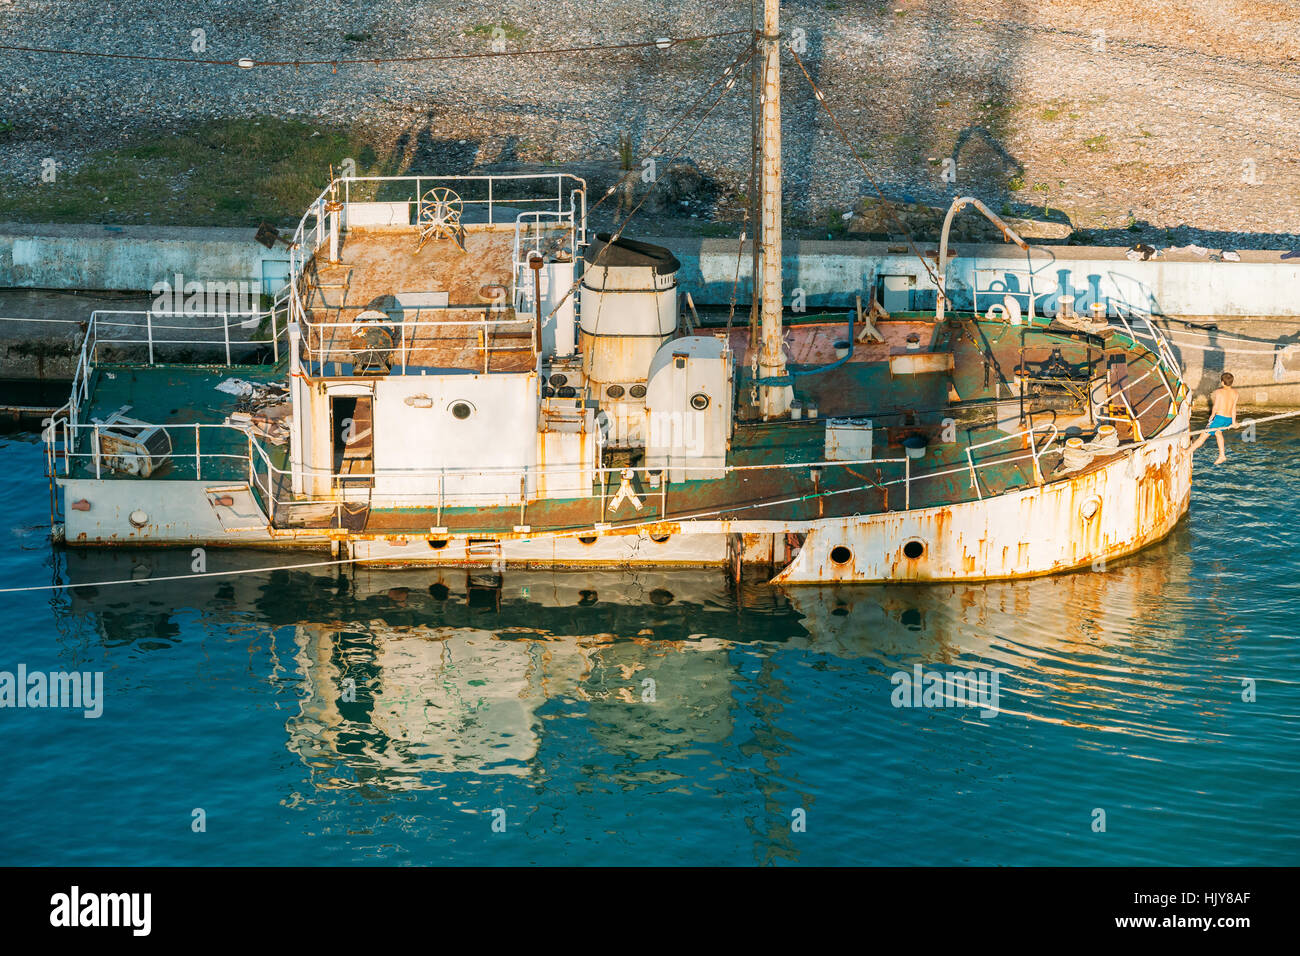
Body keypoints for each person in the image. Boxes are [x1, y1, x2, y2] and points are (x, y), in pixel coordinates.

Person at [1190, 372, 1238, 464]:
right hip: (1228, 419)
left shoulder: (1219, 392)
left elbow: (1215, 407)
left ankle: (1187, 452)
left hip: (1219, 418)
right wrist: (1233, 421)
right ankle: (1222, 455)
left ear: (1222, 382)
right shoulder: (1235, 393)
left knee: (1203, 436)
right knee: (1218, 433)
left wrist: (1211, 417)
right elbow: (1234, 408)